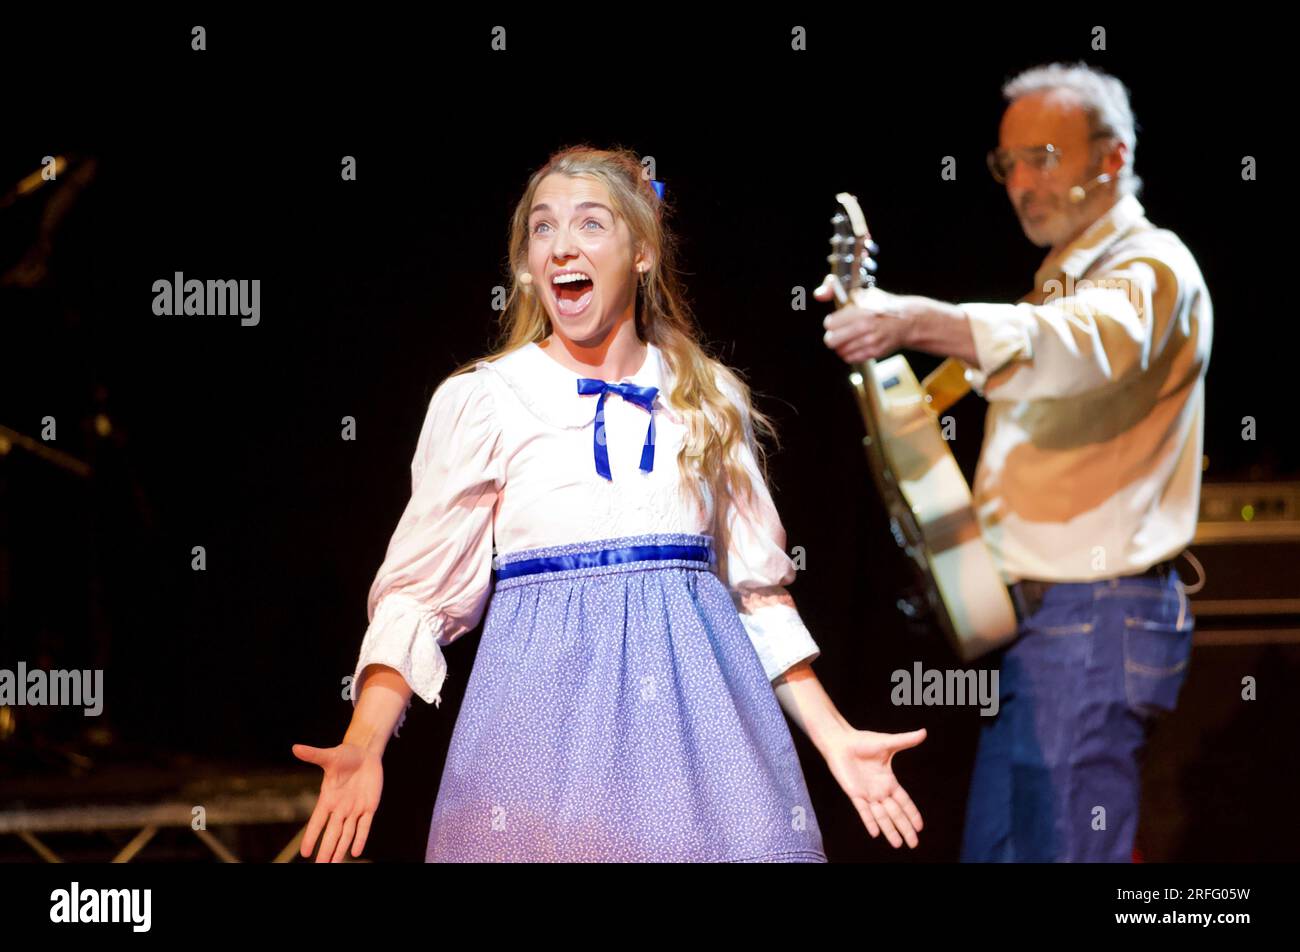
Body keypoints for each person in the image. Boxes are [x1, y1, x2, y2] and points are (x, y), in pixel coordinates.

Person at [293, 145, 926, 862]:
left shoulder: (710, 400)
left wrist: (834, 735)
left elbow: (757, 596)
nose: (562, 244)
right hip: (538, 756)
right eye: (542, 228)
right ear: (527, 263)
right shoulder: (486, 401)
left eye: (590, 224)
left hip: (705, 752)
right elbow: (417, 598)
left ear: (644, 253)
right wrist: (363, 740)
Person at [818, 62, 1212, 862]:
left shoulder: (1152, 267)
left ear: (1111, 157)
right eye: (1008, 164)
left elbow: (1076, 343)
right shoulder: (1062, 277)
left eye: (1044, 157)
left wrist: (917, 320)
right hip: (1037, 629)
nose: (1020, 183)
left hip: (1094, 620)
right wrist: (890, 377)